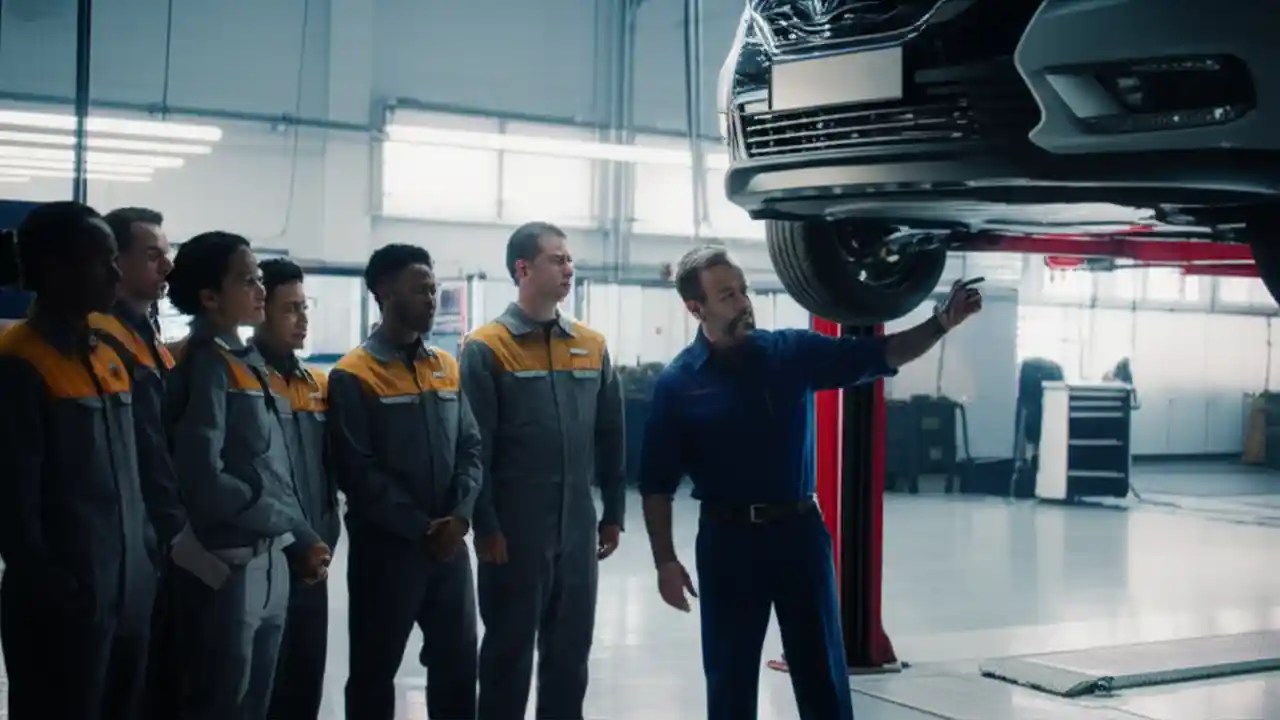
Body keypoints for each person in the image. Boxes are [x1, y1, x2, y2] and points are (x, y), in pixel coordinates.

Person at [639, 246, 983, 720]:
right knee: (729, 677)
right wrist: (665, 560)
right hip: (728, 543)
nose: (742, 302)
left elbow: (877, 354)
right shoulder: (678, 384)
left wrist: (941, 323)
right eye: (726, 295)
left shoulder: (790, 352)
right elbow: (656, 483)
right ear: (695, 308)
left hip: (798, 535)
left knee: (821, 671)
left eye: (743, 290)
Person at [460, 221, 626, 720]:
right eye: (558, 259)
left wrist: (613, 511)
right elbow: (474, 449)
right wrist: (485, 525)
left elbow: (611, 434)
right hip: (515, 530)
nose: (568, 268)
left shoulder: (592, 345)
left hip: (577, 525)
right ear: (523, 268)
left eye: (570, 259)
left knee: (570, 654)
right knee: (508, 654)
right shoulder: (486, 347)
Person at [164, 231, 331, 720]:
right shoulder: (205, 366)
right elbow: (202, 477)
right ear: (210, 296)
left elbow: (271, 466)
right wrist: (277, 516)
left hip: (271, 559)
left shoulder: (248, 365)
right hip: (227, 563)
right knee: (221, 697)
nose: (260, 290)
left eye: (260, 279)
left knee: (258, 698)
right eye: (247, 280)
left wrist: (299, 534)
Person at [0, 201, 156, 719]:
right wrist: (59, 592)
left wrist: (146, 562)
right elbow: (14, 509)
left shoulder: (108, 355)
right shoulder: (20, 362)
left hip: (127, 599)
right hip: (64, 613)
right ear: (54, 270)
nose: (116, 273)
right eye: (101, 261)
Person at [329, 243, 483, 720]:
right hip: (388, 553)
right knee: (375, 671)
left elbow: (471, 448)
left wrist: (459, 517)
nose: (432, 298)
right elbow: (357, 472)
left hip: (450, 548)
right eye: (421, 289)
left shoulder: (446, 366)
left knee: (458, 666)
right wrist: (422, 528)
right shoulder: (354, 374)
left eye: (434, 289)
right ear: (384, 292)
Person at [88, 207, 188, 720]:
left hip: (150, 536)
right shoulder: (103, 339)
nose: (165, 267)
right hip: (128, 533)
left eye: (166, 255)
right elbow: (144, 449)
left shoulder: (145, 332)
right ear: (115, 261)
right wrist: (173, 532)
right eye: (152, 255)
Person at [256, 259, 342, 720]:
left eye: (304, 307)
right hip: (265, 554)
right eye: (290, 309)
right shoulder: (242, 381)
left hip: (316, 559)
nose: (302, 319)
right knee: (260, 683)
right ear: (259, 310)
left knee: (305, 678)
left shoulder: (318, 386)